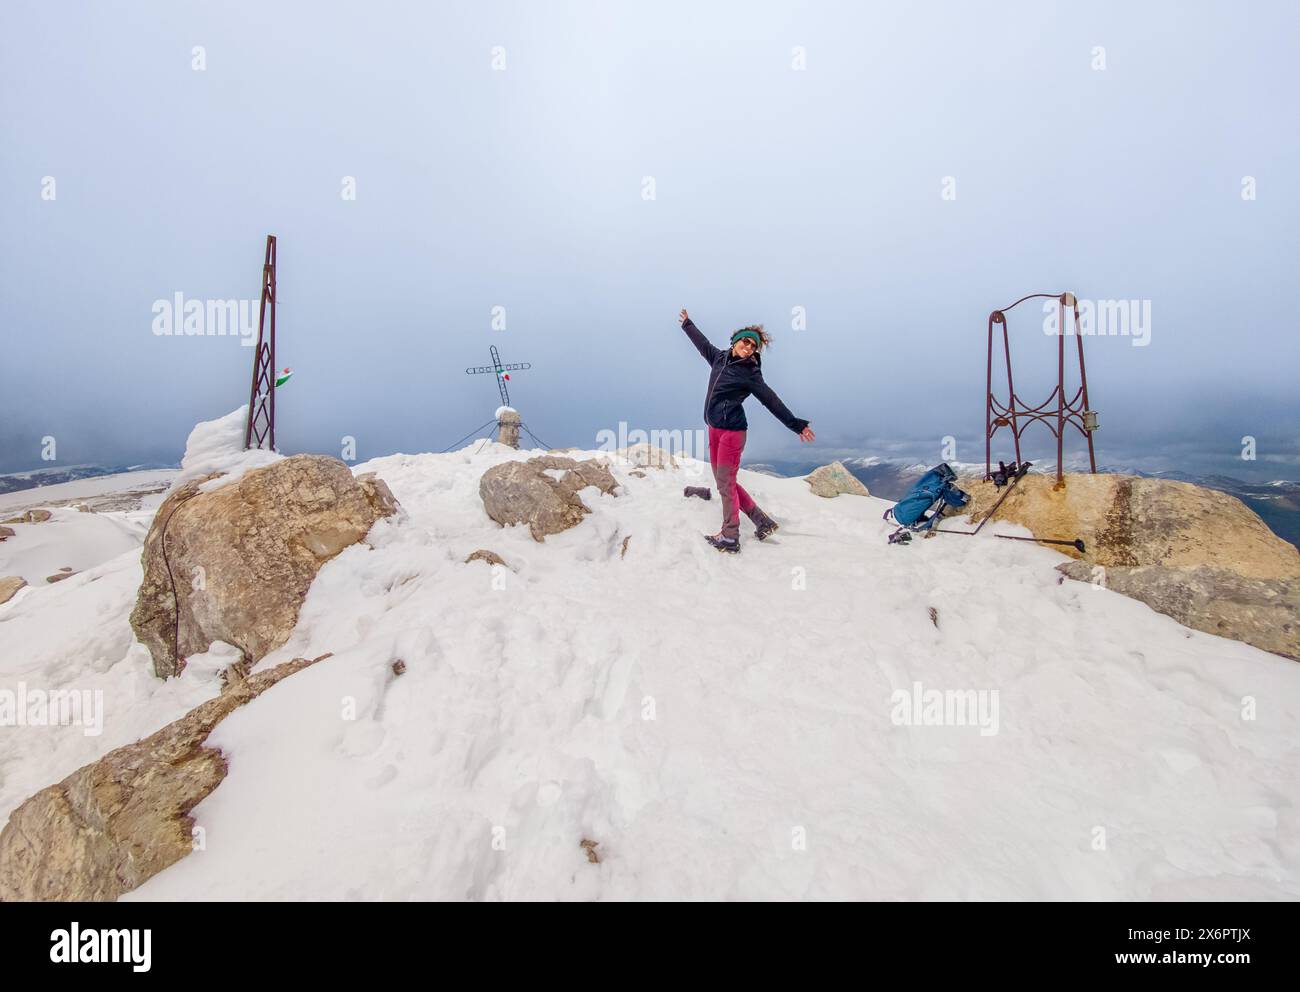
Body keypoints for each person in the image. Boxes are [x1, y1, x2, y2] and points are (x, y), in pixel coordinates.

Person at [678, 308, 815, 553]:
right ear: (735, 341)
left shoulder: (750, 373)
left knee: (725, 484)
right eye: (746, 342)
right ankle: (762, 521)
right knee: (725, 482)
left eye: (754, 346)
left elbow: (771, 401)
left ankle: (730, 536)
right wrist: (688, 324)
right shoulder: (719, 358)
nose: (749, 347)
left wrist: (796, 424)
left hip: (732, 433)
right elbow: (702, 344)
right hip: (714, 429)